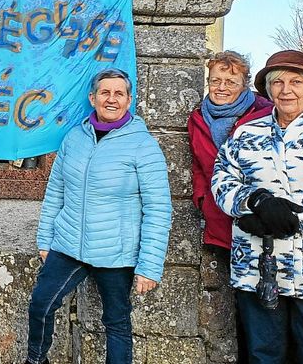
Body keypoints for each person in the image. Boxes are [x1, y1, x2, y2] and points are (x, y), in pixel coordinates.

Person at [24, 68, 172, 364]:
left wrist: (150, 266)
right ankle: (36, 360)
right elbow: (56, 191)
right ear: (93, 98)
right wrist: (45, 239)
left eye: (119, 93)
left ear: (129, 100)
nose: (111, 99)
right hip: (69, 245)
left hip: (116, 252)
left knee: (116, 322)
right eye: (105, 92)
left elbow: (159, 207)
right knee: (41, 304)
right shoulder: (74, 138)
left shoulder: (143, 146)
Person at [212, 50, 303, 363]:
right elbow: (221, 182)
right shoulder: (246, 133)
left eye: (296, 81)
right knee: (264, 353)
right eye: (277, 82)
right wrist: (253, 202)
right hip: (258, 266)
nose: (286, 90)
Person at [188, 51, 271, 364]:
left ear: (244, 83)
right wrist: (202, 200)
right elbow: (198, 165)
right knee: (240, 305)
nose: (221, 87)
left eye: (230, 81)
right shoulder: (199, 117)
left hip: (262, 223)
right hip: (222, 223)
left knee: (270, 305)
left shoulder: (264, 112)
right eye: (215, 81)